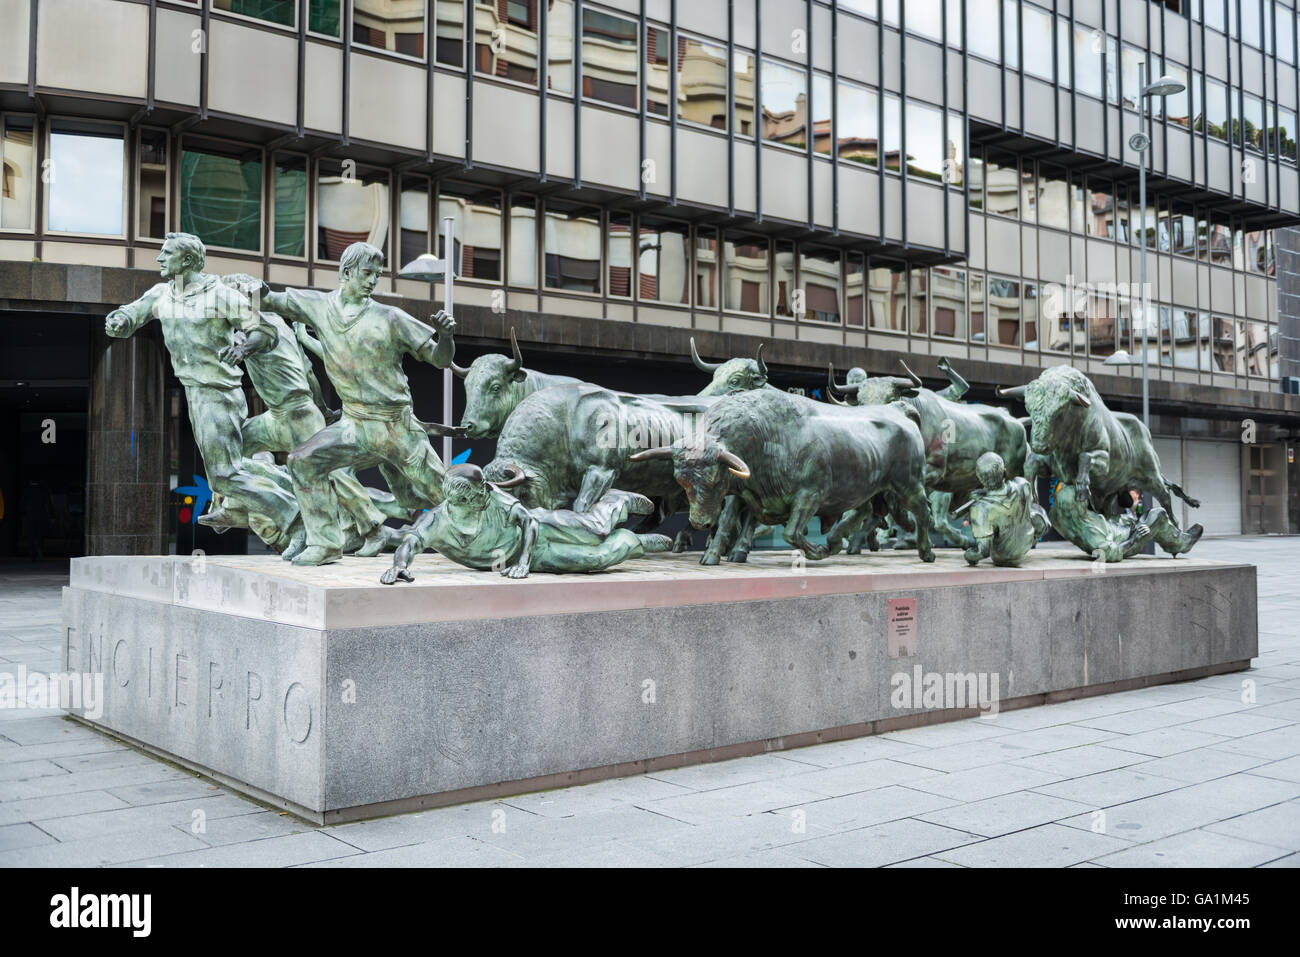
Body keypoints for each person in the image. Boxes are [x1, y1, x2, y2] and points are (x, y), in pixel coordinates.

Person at [260, 242, 461, 566]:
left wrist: (447, 337)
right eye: (367, 274)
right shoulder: (318, 306)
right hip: (354, 425)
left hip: (397, 426)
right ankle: (325, 542)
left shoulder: (390, 317)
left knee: (447, 494)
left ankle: (492, 540)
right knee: (302, 461)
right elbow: (272, 299)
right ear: (346, 272)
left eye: (377, 276)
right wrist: (252, 289)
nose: (372, 281)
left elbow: (440, 360)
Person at [105, 233, 303, 552]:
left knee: (224, 474)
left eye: (166, 254)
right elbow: (132, 314)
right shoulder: (160, 295)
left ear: (187, 261)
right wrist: (119, 319)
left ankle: (294, 519)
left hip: (219, 393)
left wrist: (243, 347)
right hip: (195, 393)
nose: (159, 259)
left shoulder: (219, 295)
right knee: (222, 473)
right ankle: (281, 482)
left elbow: (263, 330)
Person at [216, 274, 389, 560]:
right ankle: (231, 504)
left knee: (329, 473)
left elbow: (259, 337)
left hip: (297, 413)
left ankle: (372, 527)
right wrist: (322, 407)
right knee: (234, 444)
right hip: (278, 415)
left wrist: (241, 348)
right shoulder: (278, 326)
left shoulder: (264, 324)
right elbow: (309, 372)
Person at [381, 464, 672, 582]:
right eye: (478, 492)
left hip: (538, 529)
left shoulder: (491, 495)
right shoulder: (437, 520)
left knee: (595, 531)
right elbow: (411, 541)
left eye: (485, 488)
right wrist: (399, 566)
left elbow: (528, 521)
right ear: (461, 501)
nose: (488, 492)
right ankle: (636, 543)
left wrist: (522, 563)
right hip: (533, 556)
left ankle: (617, 502)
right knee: (597, 559)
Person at [962, 452, 1049, 567]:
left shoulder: (980, 509)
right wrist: (987, 494)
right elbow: (1006, 497)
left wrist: (968, 557)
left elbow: (982, 551)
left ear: (980, 479)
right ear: (1004, 472)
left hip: (1004, 557)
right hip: (1027, 541)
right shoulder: (1023, 484)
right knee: (1035, 511)